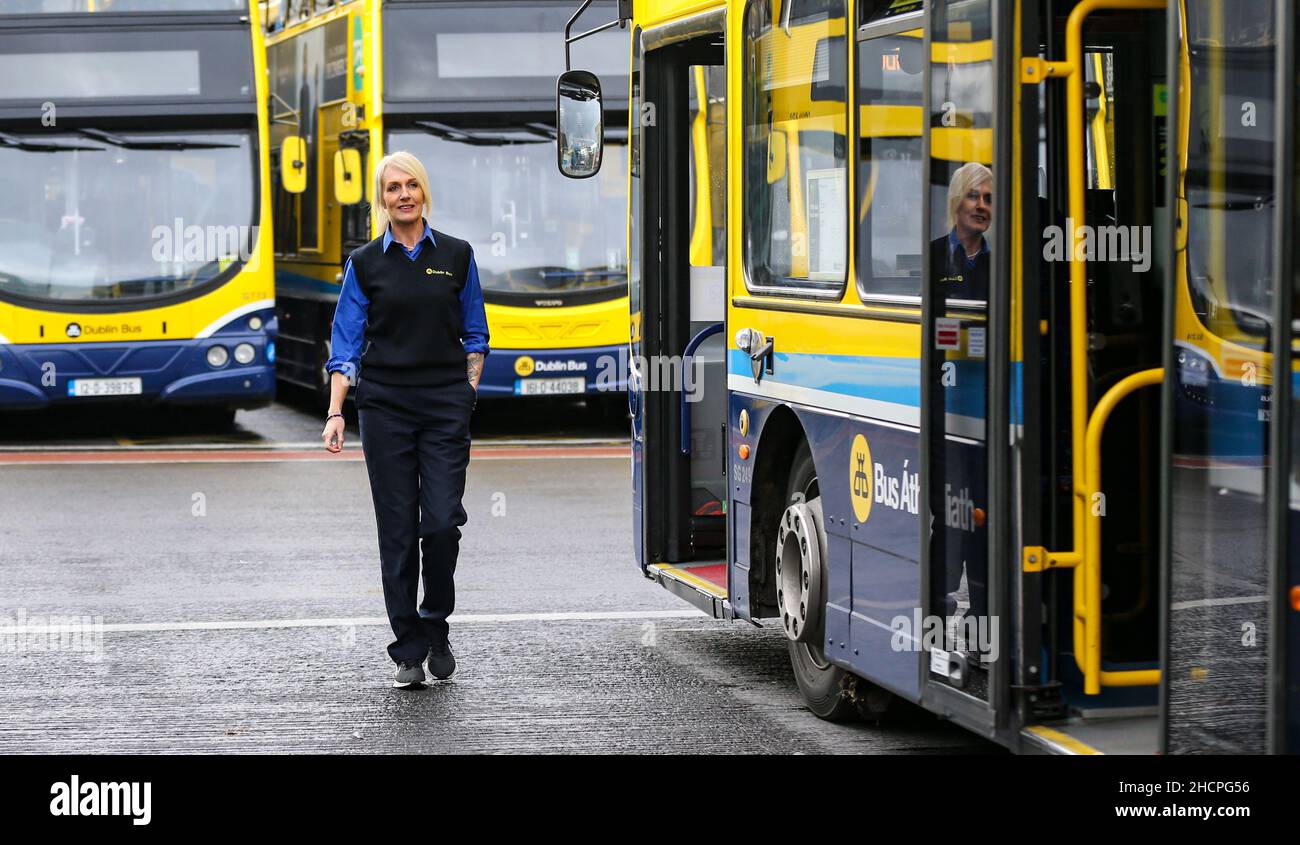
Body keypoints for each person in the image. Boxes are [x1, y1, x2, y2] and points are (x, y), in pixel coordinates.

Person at [321, 150, 490, 689]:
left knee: (440, 524)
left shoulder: (458, 256)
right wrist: (335, 411)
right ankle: (409, 649)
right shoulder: (365, 263)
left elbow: (476, 333)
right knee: (396, 531)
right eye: (392, 187)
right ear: (383, 199)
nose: (403, 195)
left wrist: (465, 393)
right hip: (386, 407)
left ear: (424, 192)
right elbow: (345, 341)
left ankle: (436, 624)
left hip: (444, 405)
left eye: (411, 184)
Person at [929, 161, 992, 302]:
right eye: (973, 196)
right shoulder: (932, 254)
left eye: (989, 199)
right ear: (955, 202)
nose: (982, 205)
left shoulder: (1002, 261)